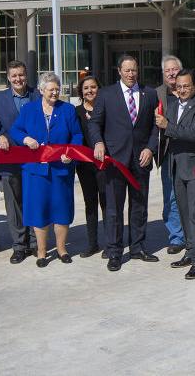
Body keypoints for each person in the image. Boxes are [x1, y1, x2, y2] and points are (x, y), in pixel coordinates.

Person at [88, 54, 160, 271]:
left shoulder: (150, 94)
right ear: (119, 71)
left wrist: (150, 148)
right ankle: (114, 252)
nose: (131, 74)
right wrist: (98, 143)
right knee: (114, 209)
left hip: (141, 160)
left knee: (139, 206)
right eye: (127, 70)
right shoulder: (106, 94)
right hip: (115, 161)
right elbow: (94, 124)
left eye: (134, 70)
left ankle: (137, 247)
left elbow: (155, 126)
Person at [10, 72, 82, 267]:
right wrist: (26, 139)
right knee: (38, 210)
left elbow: (76, 135)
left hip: (61, 170)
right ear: (41, 90)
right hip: (35, 171)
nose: (55, 93)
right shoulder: (29, 109)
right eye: (51, 89)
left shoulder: (67, 109)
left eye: (57, 89)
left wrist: (70, 152)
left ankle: (62, 249)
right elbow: (15, 130)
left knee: (61, 210)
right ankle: (41, 252)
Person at [154, 55, 195, 255]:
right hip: (172, 156)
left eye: (174, 69)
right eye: (167, 70)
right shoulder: (158, 94)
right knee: (175, 201)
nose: (171, 73)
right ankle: (180, 240)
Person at [0, 60, 39, 263]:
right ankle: (19, 245)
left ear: (26, 75)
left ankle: (35, 242)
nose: (18, 79)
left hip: (35, 159)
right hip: (9, 160)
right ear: (8, 78)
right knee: (13, 204)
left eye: (21, 75)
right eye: (14, 75)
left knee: (33, 200)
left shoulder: (38, 95)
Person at [74, 75, 108, 258]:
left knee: (106, 203)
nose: (90, 91)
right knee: (90, 203)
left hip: (104, 163)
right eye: (86, 88)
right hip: (85, 165)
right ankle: (92, 243)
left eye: (93, 87)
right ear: (81, 91)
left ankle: (110, 243)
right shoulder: (76, 111)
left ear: (99, 89)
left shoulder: (106, 108)